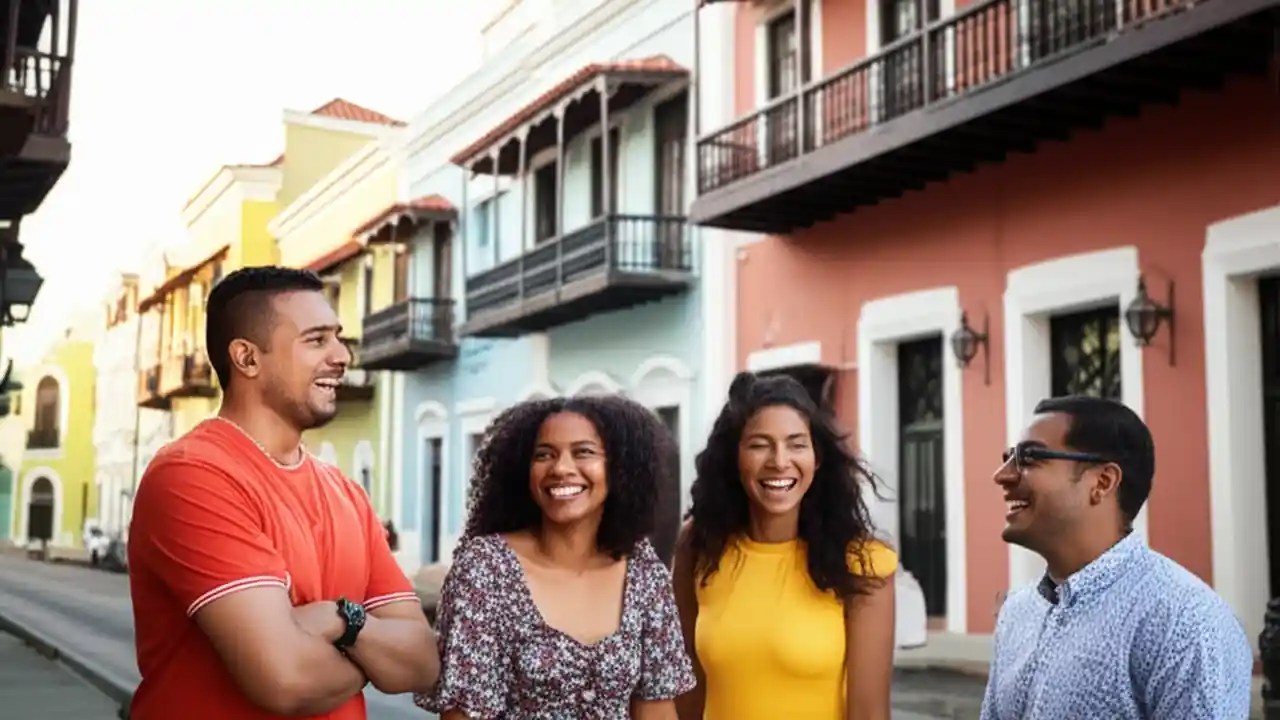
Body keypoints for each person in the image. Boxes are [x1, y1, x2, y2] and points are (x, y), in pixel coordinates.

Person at [127, 267, 439, 720]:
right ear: (247, 359)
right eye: (316, 340)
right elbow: (286, 680)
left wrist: (340, 620)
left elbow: (423, 661)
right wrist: (373, 649)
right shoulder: (193, 476)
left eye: (339, 337)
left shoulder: (346, 493)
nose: (342, 355)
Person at [414, 394, 696, 719]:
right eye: (544, 455)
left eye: (584, 453)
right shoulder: (485, 569)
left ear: (619, 468)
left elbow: (656, 708)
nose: (561, 468)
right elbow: (463, 714)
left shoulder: (643, 569)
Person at [981, 395, 1254, 719]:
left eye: (1028, 458)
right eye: (1008, 457)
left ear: (1103, 482)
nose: (1002, 474)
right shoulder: (1018, 612)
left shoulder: (1186, 621)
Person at [673, 371, 897, 720]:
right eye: (760, 444)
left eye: (796, 444)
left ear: (817, 459)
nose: (780, 461)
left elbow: (869, 713)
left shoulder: (862, 563)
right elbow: (685, 695)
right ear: (735, 457)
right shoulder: (700, 546)